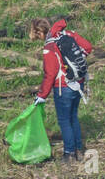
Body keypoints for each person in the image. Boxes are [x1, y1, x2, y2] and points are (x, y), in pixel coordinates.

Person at [31, 17, 94, 162]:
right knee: (73, 117)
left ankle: (69, 153)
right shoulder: (68, 34)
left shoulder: (49, 47)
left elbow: (50, 74)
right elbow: (88, 46)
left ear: (40, 32)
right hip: (78, 83)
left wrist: (42, 95)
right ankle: (79, 150)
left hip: (63, 87)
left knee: (64, 120)